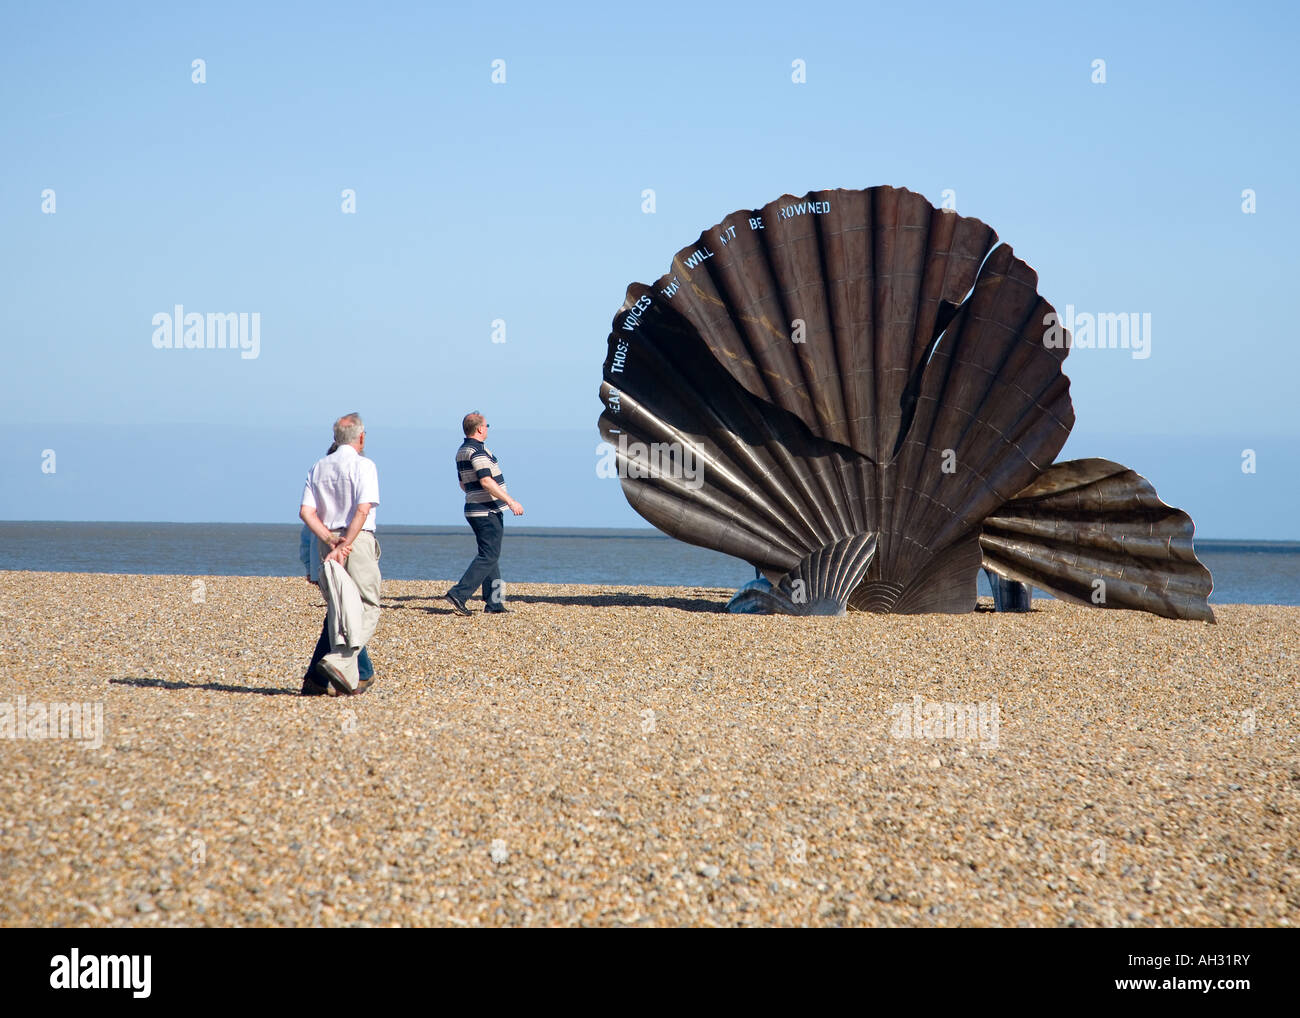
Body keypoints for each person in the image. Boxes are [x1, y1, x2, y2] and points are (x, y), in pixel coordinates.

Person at [299, 413, 382, 695]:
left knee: (338, 607)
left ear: (336, 439)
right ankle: (341, 662)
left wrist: (330, 541)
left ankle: (319, 680)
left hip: (327, 541)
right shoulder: (364, 465)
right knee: (366, 605)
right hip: (355, 540)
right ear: (360, 438)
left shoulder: (318, 466)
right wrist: (347, 542)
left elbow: (306, 513)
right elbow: (363, 509)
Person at [444, 411, 523, 616]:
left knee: (491, 554)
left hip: (473, 507)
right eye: (487, 426)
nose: (488, 429)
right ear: (480, 428)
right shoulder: (477, 451)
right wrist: (510, 501)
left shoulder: (462, 450)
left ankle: (495, 602)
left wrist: (475, 496)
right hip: (486, 510)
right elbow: (486, 480)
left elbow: (463, 483)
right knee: (488, 555)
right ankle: (459, 594)